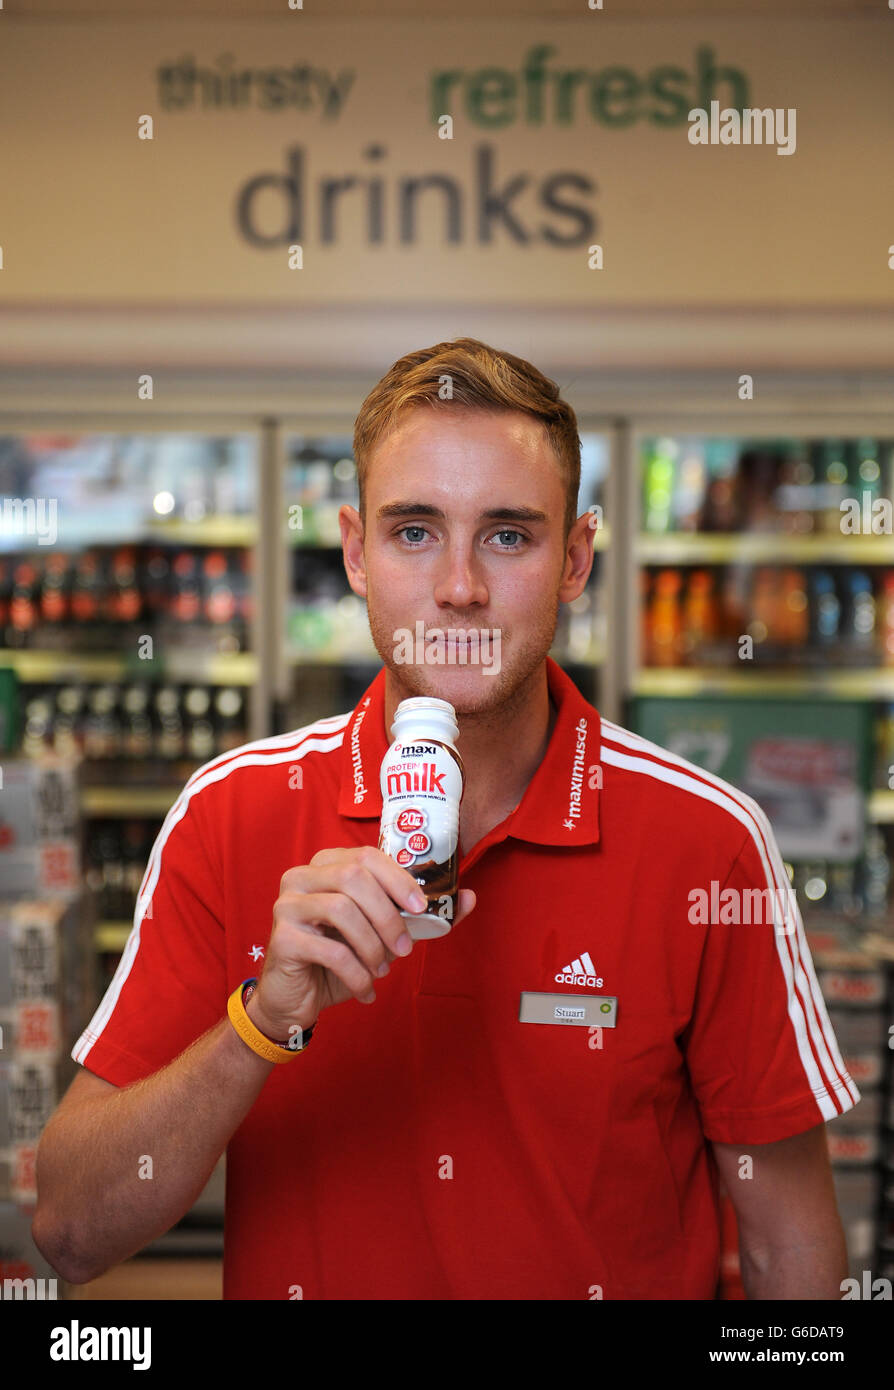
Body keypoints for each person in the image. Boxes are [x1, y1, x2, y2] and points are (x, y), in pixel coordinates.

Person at [33, 337, 858, 1300]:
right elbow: (70, 1231)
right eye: (414, 531)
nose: (459, 587)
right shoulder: (231, 814)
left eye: (508, 534)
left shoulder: (710, 843)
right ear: (355, 552)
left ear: (576, 558)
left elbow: (788, 1250)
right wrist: (260, 1023)